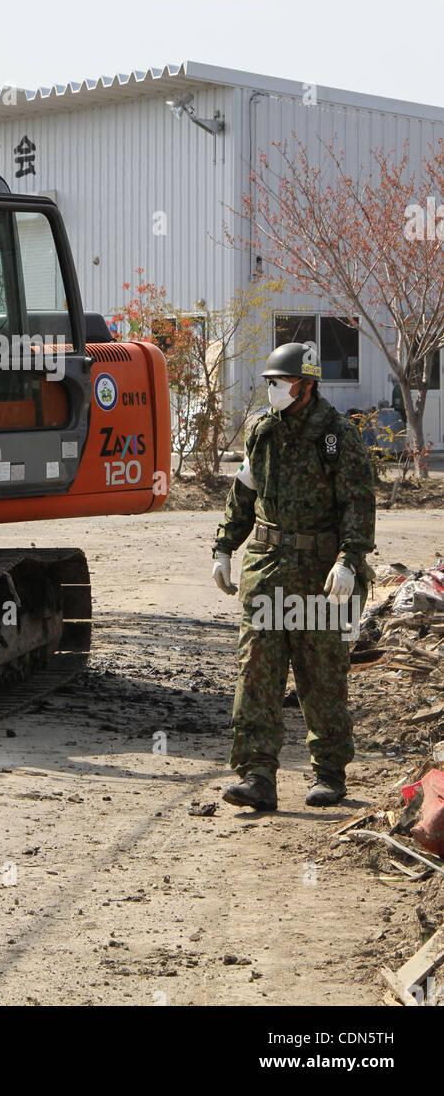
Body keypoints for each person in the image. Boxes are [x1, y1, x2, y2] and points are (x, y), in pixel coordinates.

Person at [211, 342, 376, 811]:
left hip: (321, 575)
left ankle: (329, 773)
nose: (272, 389)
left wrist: (349, 559)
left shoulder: (336, 436)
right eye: (268, 382)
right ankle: (257, 774)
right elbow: (243, 494)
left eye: (279, 382)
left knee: (321, 676)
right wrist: (224, 547)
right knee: (256, 673)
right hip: (265, 569)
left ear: (304, 384)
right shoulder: (262, 432)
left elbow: (359, 504)